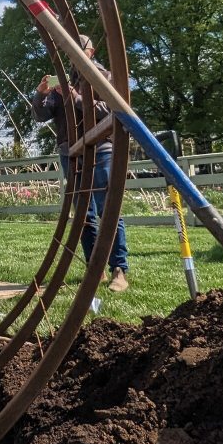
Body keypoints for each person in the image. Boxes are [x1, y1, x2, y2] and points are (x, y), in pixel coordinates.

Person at [32, 34, 129, 292]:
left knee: (108, 209)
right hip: (71, 151)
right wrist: (41, 94)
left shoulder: (104, 77)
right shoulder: (60, 79)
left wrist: (75, 96)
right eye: (69, 48)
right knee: (84, 215)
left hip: (101, 148)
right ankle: (95, 269)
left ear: (91, 51)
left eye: (78, 47)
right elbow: (41, 115)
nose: (73, 53)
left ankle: (118, 269)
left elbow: (110, 112)